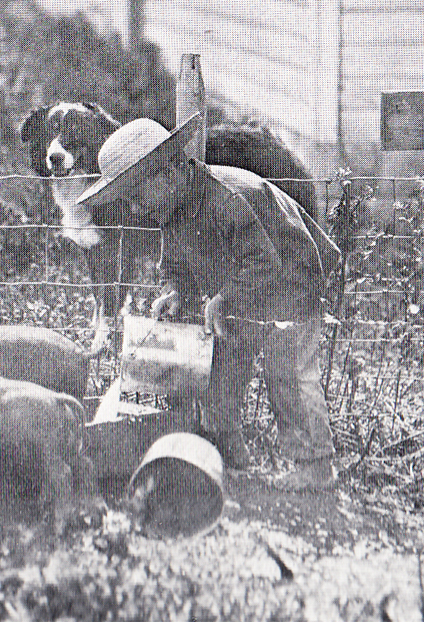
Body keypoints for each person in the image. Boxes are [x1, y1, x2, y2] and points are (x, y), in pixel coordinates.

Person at [77, 114, 341, 490]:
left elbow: (264, 261)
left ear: (169, 172)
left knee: (288, 373)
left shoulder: (227, 197)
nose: (135, 209)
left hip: (291, 283)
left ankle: (316, 465)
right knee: (222, 370)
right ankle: (230, 453)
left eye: (136, 197)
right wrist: (175, 291)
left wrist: (224, 298)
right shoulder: (170, 210)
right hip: (243, 289)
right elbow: (176, 265)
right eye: (128, 201)